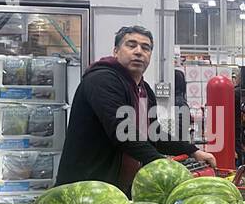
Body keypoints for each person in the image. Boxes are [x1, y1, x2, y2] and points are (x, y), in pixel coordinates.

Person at [58, 26, 216, 193]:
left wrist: (192, 151)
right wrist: (164, 165)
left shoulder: (144, 90)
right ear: (116, 51)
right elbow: (123, 131)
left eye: (145, 48)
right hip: (86, 187)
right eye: (131, 45)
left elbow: (154, 134)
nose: (139, 52)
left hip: (120, 188)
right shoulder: (102, 79)